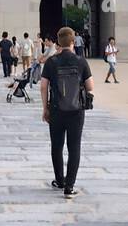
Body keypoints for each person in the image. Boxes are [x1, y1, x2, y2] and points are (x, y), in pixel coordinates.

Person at [40, 26, 94, 199]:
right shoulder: (81, 61)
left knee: (57, 145)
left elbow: (43, 86)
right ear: (72, 42)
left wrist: (45, 108)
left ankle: (59, 180)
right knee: (74, 147)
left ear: (58, 42)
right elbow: (90, 86)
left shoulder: (51, 62)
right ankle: (69, 187)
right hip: (76, 111)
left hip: (56, 109)